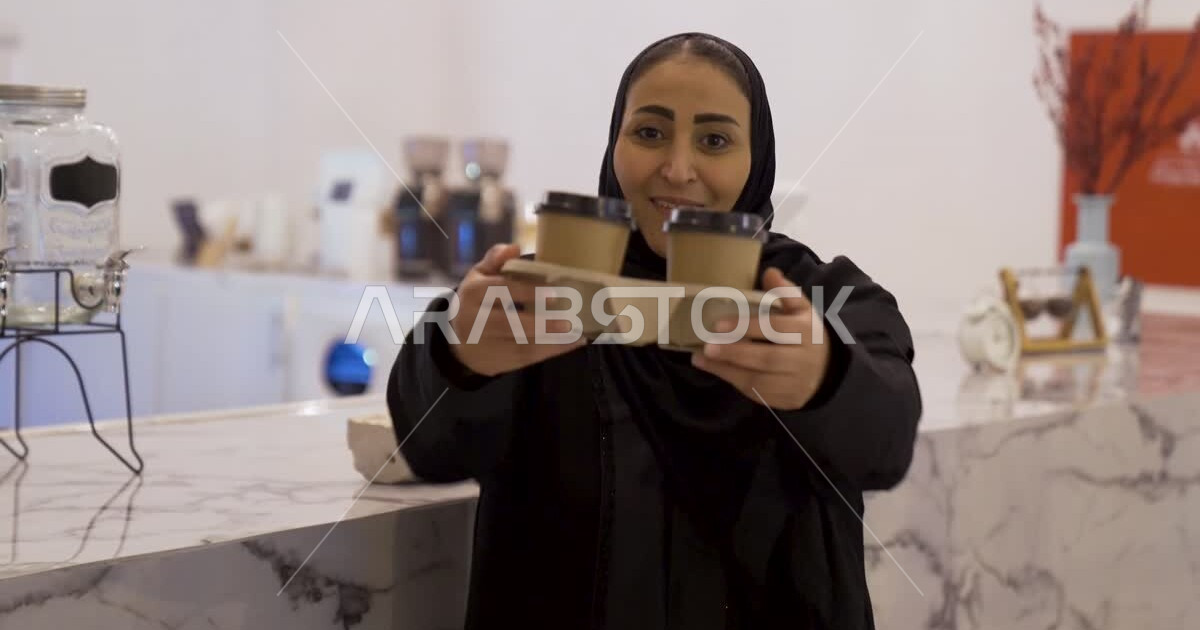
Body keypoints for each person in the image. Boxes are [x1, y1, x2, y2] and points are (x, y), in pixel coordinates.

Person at [387, 32, 922, 629]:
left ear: (757, 158)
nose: (677, 167)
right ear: (615, 142)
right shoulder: (543, 297)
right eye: (649, 133)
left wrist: (826, 377)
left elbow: (890, 439)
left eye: (714, 139)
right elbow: (429, 448)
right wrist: (457, 354)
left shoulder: (814, 297)